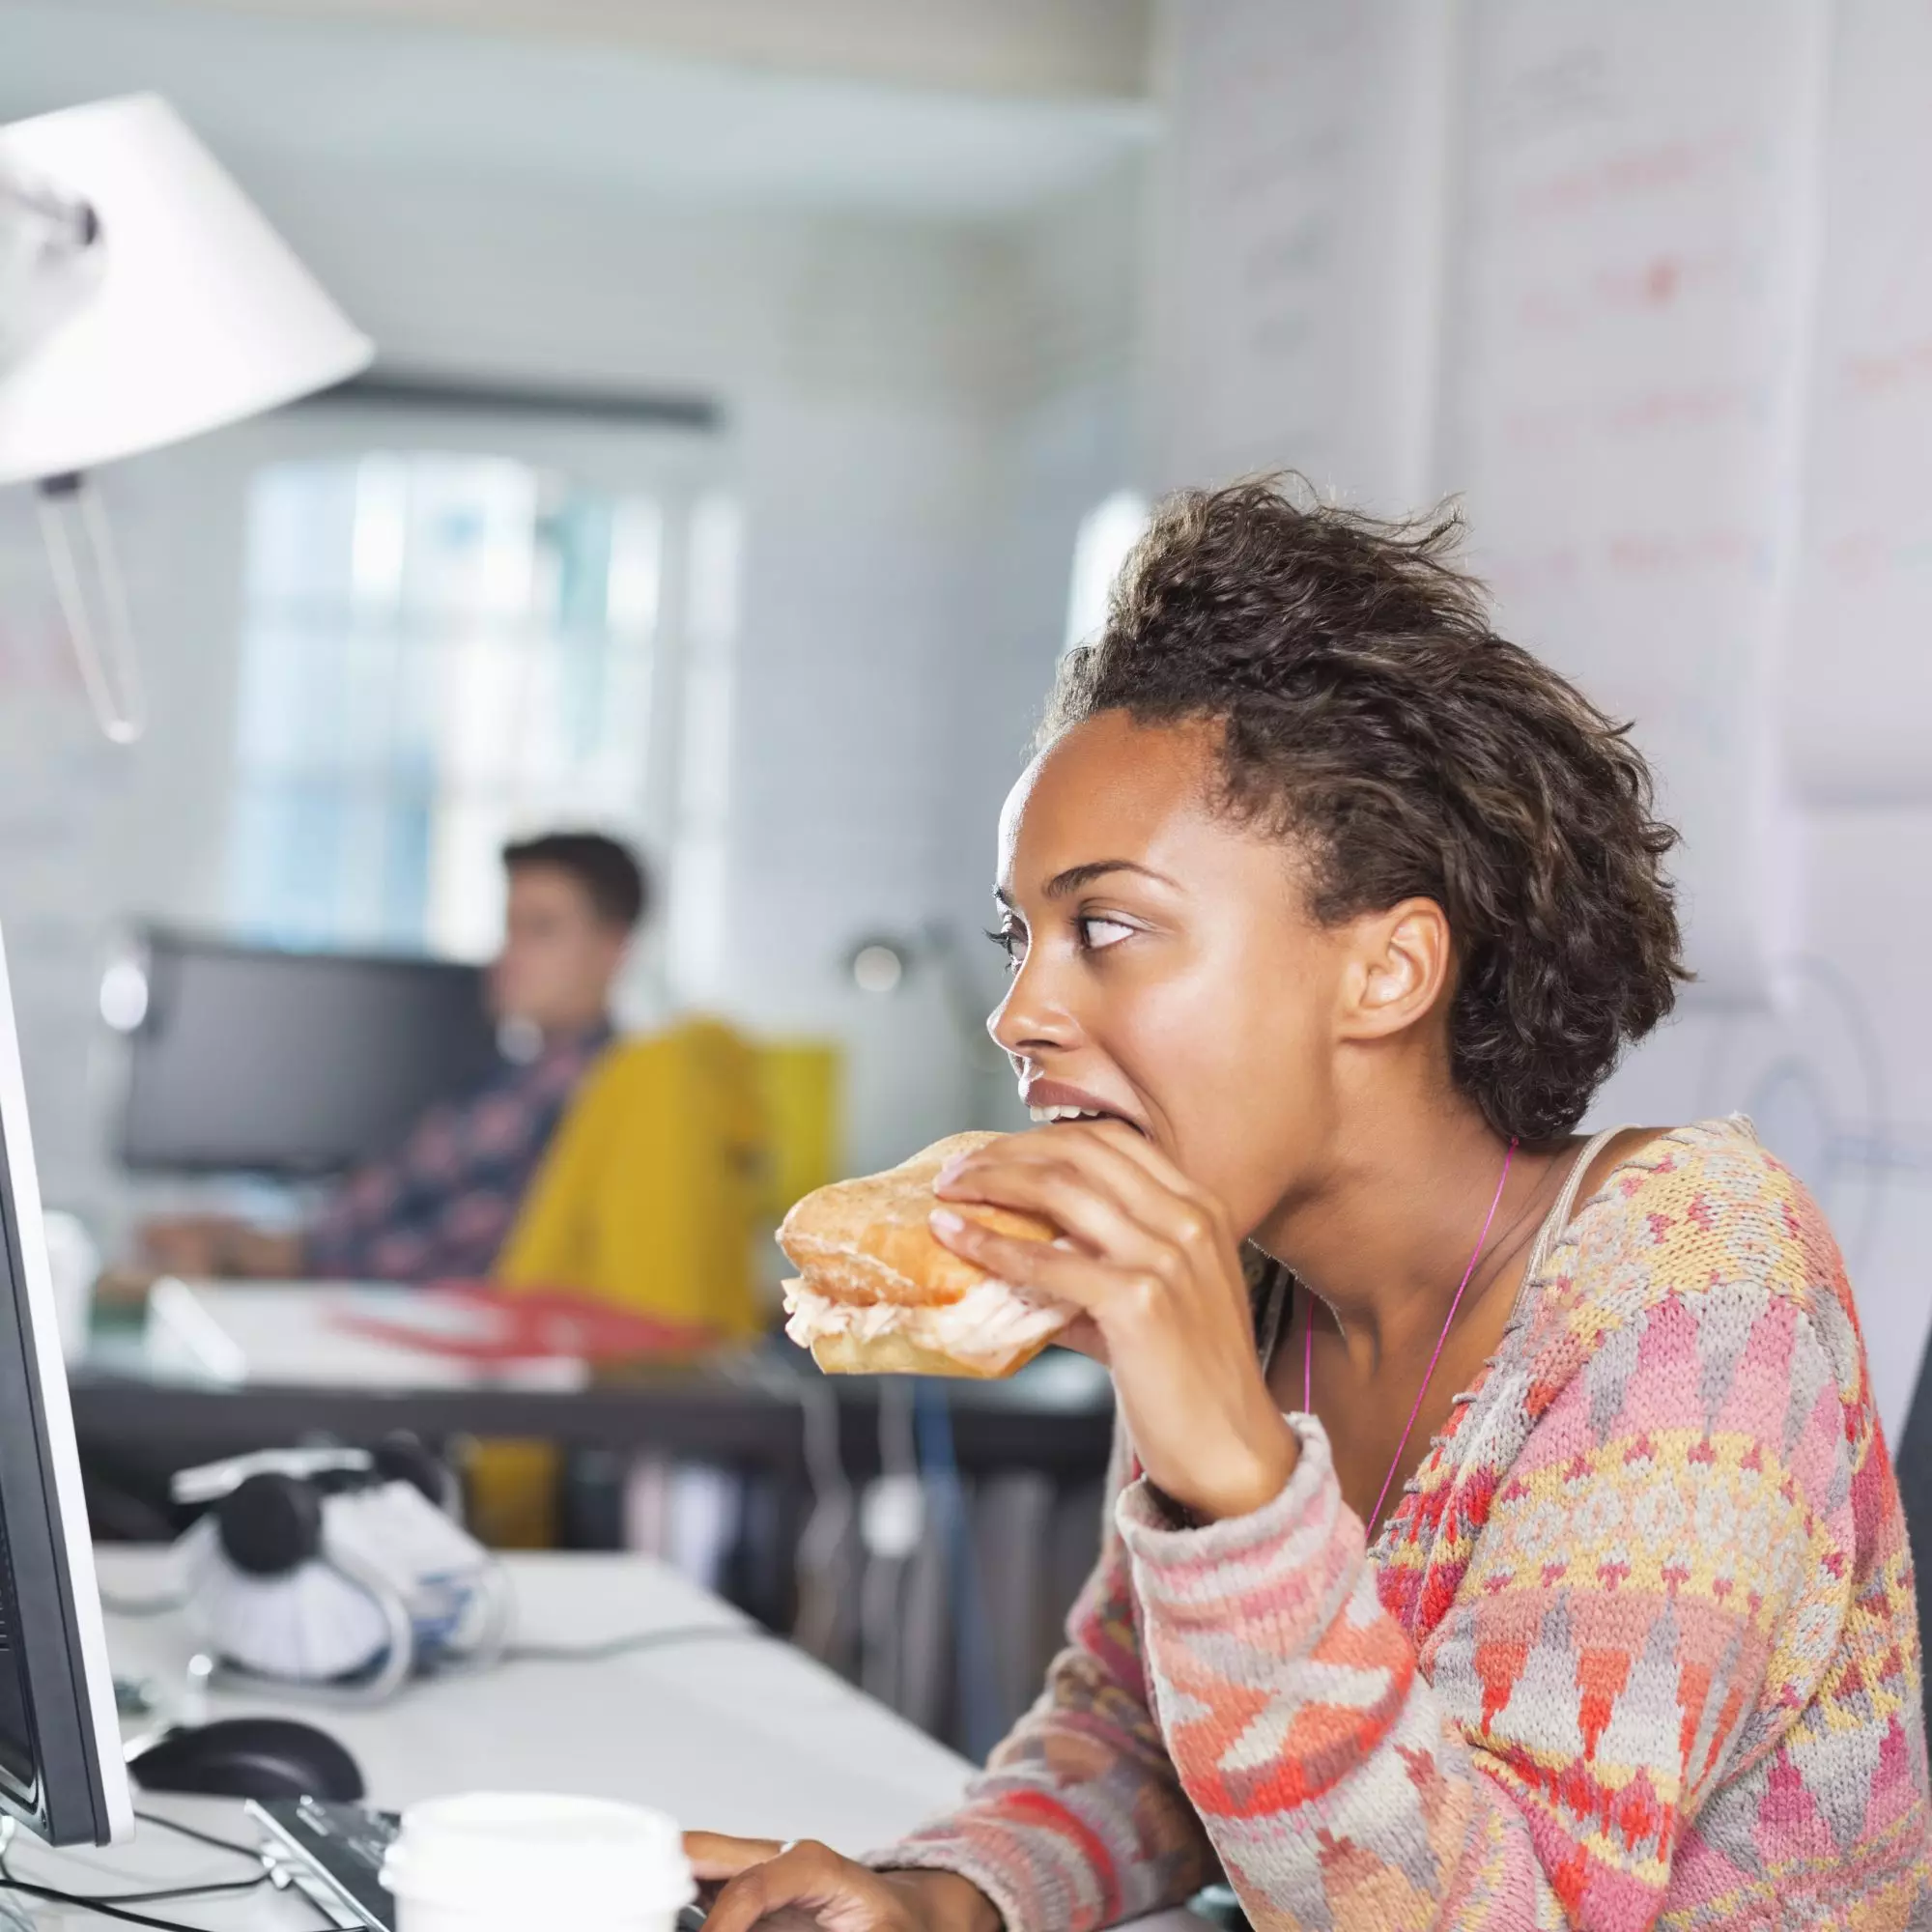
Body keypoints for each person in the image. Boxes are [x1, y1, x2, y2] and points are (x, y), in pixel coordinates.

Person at [690, 481, 1930, 1929]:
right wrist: (938, 1897)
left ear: (1387, 972)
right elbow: (1144, 1734)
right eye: (1020, 936)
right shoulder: (1251, 1273)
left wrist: (1235, 1476)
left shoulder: (1701, 1280)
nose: (1020, 1012)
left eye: (1107, 927)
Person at [141, 831, 646, 1285]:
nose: (509, 953)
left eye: (541, 929)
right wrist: (256, 1239)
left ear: (613, 948)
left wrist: (249, 1256)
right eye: (508, 927)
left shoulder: (585, 1097)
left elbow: (442, 1262)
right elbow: (388, 1206)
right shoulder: (513, 1077)